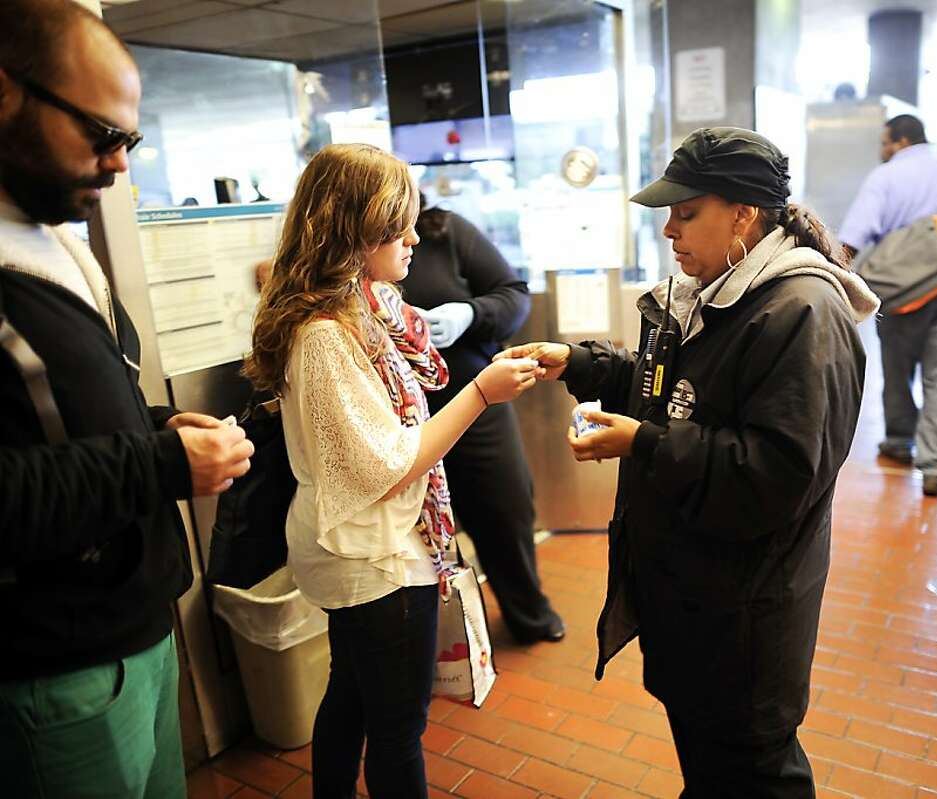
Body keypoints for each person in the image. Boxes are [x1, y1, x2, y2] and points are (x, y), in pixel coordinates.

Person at [496, 127, 879, 798]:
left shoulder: (801, 313)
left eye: (686, 212)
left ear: (744, 212)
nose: (669, 230)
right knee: (710, 765)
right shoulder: (717, 288)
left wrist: (640, 443)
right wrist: (583, 363)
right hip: (695, 596)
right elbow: (674, 387)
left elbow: (775, 476)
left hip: (745, 614)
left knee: (755, 770)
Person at [0, 2, 255, 797]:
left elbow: (71, 423)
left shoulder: (57, 241)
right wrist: (157, 461)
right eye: (101, 135)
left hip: (137, 630)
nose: (118, 166)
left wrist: (156, 426)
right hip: (52, 669)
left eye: (130, 140)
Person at [244, 143, 539, 798]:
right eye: (394, 223)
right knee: (399, 727)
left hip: (365, 541)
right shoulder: (326, 332)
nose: (412, 236)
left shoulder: (363, 306)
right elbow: (390, 464)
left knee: (351, 691)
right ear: (352, 230)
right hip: (372, 551)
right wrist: (482, 391)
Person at [401, 196, 564, 643]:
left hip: (476, 399)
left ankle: (528, 614)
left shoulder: (443, 231)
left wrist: (470, 314)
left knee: (506, 509)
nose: (408, 238)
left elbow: (513, 295)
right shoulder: (352, 264)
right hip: (401, 420)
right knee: (414, 537)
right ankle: (435, 642)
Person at [840, 114, 937, 497]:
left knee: (897, 369)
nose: (882, 150)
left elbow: (853, 237)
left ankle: (900, 441)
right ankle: (935, 466)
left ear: (900, 142)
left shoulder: (885, 177)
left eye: (885, 143)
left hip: (900, 294)